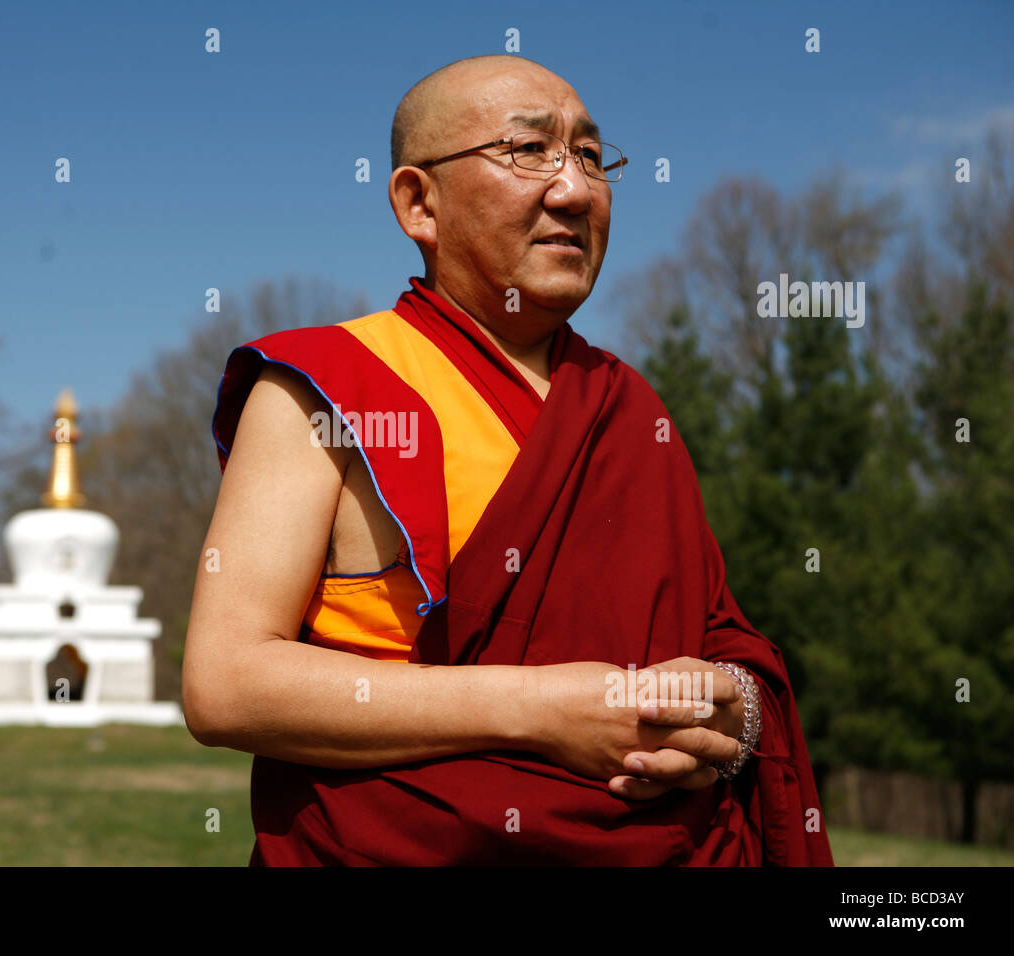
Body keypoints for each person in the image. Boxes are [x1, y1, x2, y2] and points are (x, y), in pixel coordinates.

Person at [182, 54, 833, 866]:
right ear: (419, 203)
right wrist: (540, 708)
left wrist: (729, 715)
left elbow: (726, 647)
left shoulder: (629, 411)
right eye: (530, 151)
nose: (574, 190)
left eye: (592, 158)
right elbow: (226, 684)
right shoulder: (330, 387)